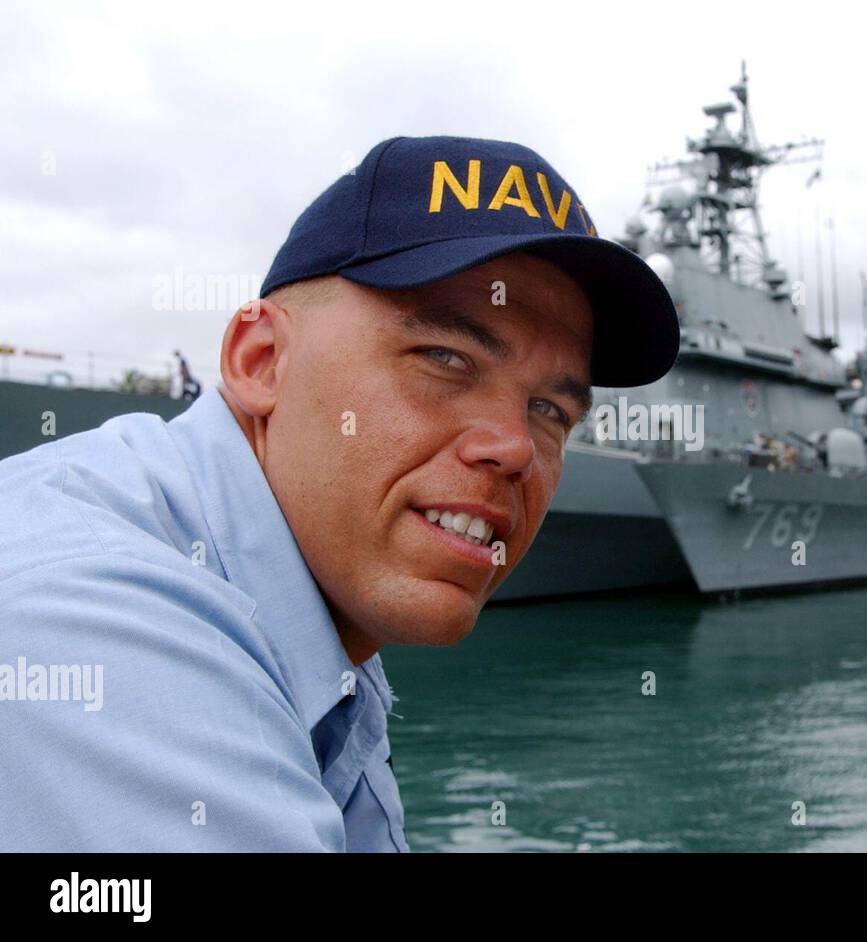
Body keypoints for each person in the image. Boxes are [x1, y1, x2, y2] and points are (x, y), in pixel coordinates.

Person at [0, 136, 680, 851]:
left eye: (551, 411)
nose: (514, 447)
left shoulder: (308, 628)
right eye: (446, 359)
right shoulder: (97, 626)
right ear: (260, 361)